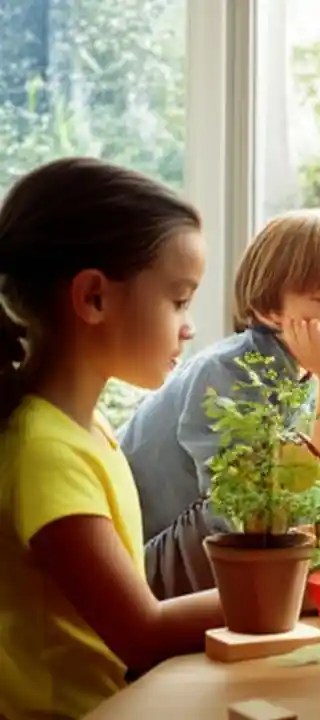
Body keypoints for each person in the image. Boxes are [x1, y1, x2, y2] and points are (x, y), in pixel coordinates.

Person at [0, 157, 224, 719]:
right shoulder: (43, 451)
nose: (188, 325)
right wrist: (306, 592)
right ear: (94, 297)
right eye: (178, 300)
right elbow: (142, 633)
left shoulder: (87, 430)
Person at [120, 208, 320, 599]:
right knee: (263, 511)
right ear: (269, 311)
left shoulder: (310, 372)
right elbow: (256, 518)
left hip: (234, 546)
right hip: (148, 571)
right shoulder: (227, 371)